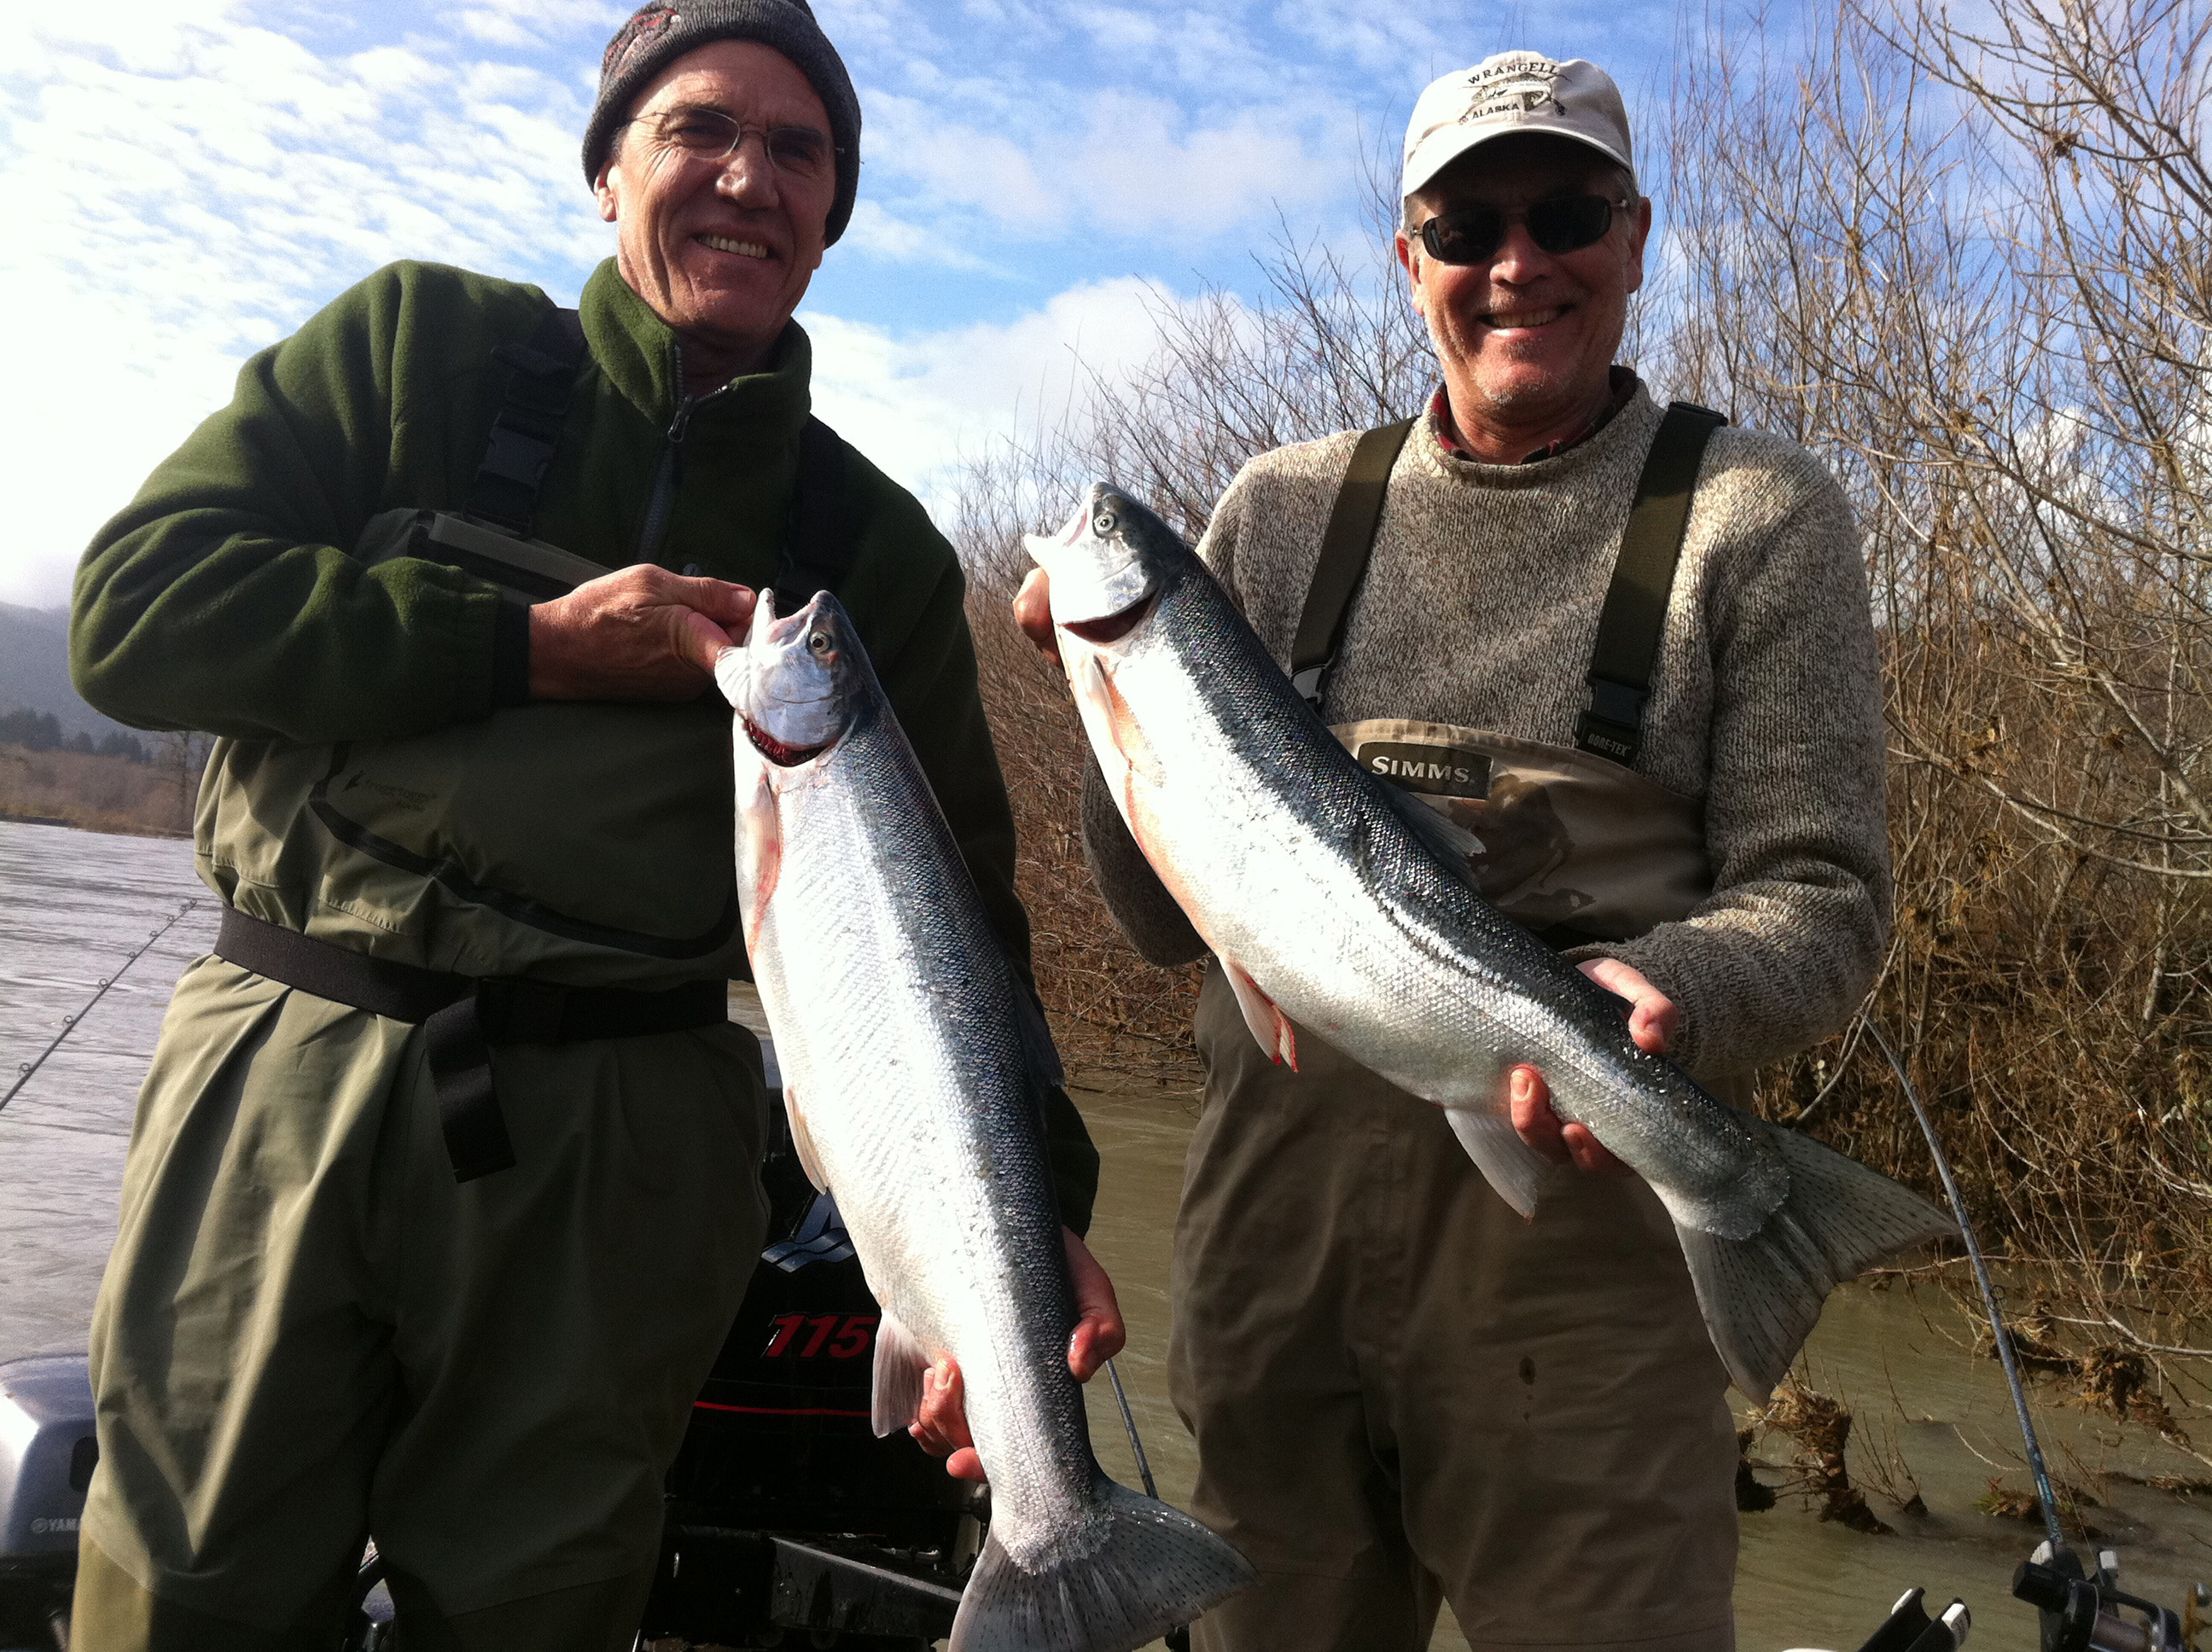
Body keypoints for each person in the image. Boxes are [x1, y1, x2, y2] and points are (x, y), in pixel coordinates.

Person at [66, 3, 1116, 1647]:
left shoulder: (876, 551)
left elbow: (967, 926)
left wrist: (1037, 1225)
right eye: (700, 128)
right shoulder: (418, 349)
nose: (747, 178)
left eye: (799, 152)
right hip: (293, 1066)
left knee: (540, 1608)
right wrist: (531, 645)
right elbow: (133, 617)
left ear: (832, 223)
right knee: (183, 1590)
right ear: (609, 165)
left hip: (629, 1146)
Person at [1016, 50, 1890, 1652]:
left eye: (1562, 214)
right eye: (1465, 222)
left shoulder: (1758, 515)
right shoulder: (1277, 513)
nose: (1516, 263)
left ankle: (1762, 1208)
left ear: (1632, 235)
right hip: (1270, 1283)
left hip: (1589, 1305)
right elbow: (1155, 919)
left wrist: (1672, 991)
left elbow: (1826, 896)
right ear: (1405, 256)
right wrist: (1109, 715)